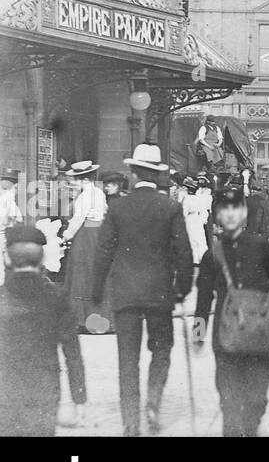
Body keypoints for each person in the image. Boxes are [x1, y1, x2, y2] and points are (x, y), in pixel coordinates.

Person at [92, 144, 193, 436]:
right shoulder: (170, 207)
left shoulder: (117, 207)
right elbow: (183, 253)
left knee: (127, 359)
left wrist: (97, 290)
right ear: (158, 174)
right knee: (161, 350)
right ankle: (153, 401)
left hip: (125, 294)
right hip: (159, 293)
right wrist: (182, 289)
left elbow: (103, 252)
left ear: (134, 173)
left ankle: (130, 422)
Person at [193, 186, 269, 436]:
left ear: (244, 212)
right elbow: (203, 301)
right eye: (225, 209)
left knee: (257, 401)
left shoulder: (262, 247)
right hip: (226, 339)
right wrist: (198, 335)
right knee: (230, 403)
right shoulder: (211, 255)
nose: (231, 214)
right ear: (217, 215)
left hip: (259, 336)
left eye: (236, 208)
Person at [0, 224, 87, 437]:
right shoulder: (57, 299)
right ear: (41, 261)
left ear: (7, 259)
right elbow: (72, 354)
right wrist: (79, 398)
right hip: (45, 392)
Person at [62, 161, 109, 330]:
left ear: (83, 180)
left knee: (82, 272)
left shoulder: (85, 196)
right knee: (93, 272)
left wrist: (66, 236)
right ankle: (98, 320)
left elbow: (78, 220)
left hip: (86, 235)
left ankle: (83, 320)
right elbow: (104, 213)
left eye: (75, 180)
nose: (72, 183)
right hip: (97, 233)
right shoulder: (99, 193)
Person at [182, 174, 213, 266]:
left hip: (190, 219)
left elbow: (184, 212)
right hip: (198, 220)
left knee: (192, 238)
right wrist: (203, 221)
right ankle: (200, 259)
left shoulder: (187, 199)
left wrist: (183, 220)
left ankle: (195, 259)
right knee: (200, 238)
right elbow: (204, 211)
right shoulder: (199, 199)